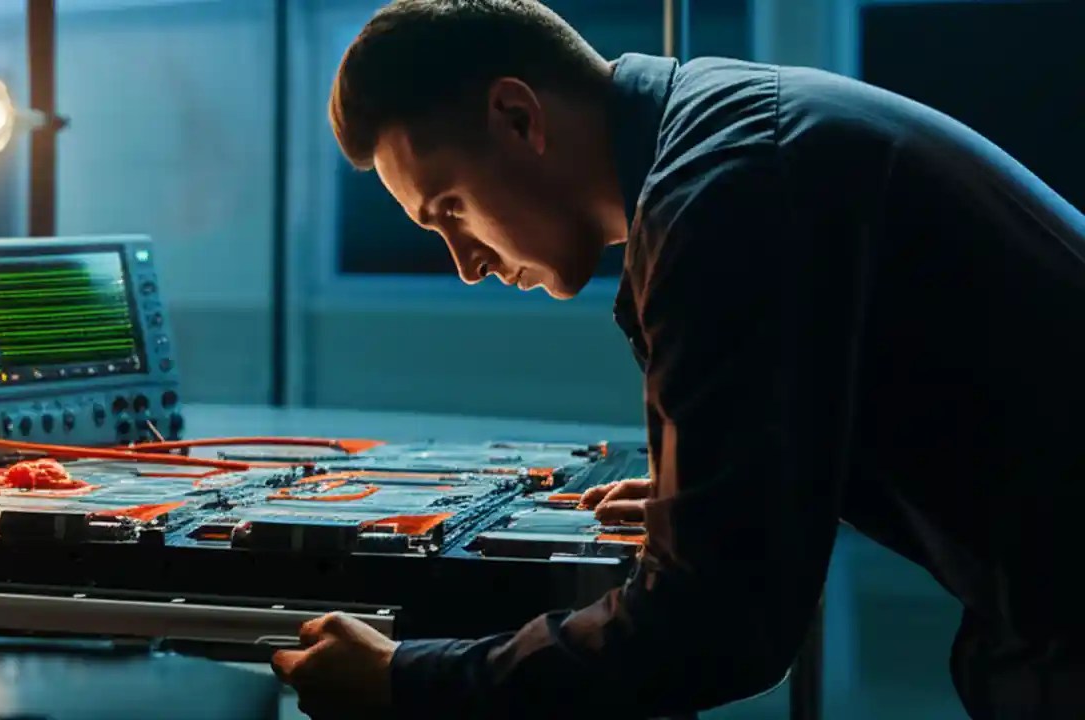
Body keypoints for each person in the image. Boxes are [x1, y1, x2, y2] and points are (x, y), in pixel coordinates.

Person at [270, 1, 1085, 718]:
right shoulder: (721, 134)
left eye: (450, 208)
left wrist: (408, 681)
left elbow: (720, 627)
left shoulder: (722, 196)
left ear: (517, 116)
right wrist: (710, 494)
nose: (466, 263)